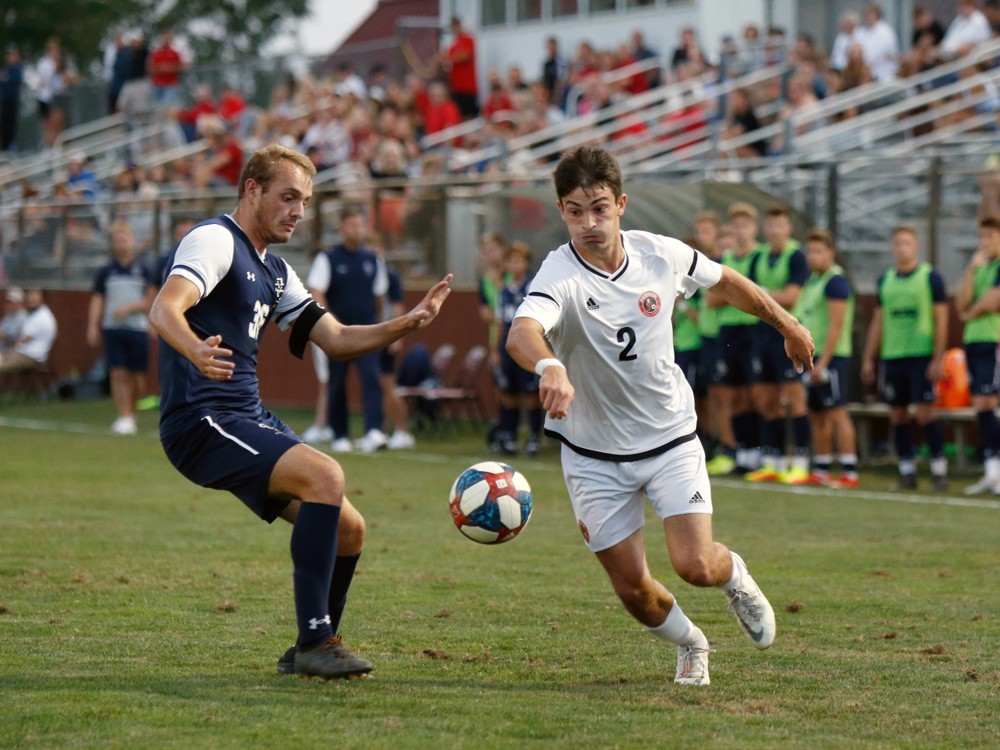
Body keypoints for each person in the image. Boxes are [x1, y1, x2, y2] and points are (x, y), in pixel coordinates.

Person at [506, 146, 815, 686]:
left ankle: (735, 577)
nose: (589, 223)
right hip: (592, 454)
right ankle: (692, 644)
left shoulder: (659, 254)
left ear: (621, 203)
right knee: (633, 591)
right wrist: (550, 365)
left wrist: (785, 323)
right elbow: (521, 332)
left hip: (669, 438)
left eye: (599, 208)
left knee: (695, 566)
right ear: (561, 211)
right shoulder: (560, 271)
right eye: (575, 211)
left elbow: (725, 281)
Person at [148, 143, 451, 680]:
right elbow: (164, 308)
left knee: (350, 530)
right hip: (202, 418)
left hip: (247, 416)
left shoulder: (277, 271)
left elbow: (335, 338)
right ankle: (316, 640)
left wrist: (406, 323)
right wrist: (194, 348)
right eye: (288, 197)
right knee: (325, 474)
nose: (298, 212)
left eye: (306, 202)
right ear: (252, 190)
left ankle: (311, 643)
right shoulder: (215, 240)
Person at [861, 226, 949, 491]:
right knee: (897, 415)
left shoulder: (930, 277)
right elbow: (878, 321)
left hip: (921, 355)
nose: (902, 248)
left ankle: (938, 471)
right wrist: (868, 358)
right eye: (898, 243)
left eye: (907, 243)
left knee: (924, 414)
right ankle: (907, 472)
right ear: (892, 247)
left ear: (916, 246)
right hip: (893, 356)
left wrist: (938, 357)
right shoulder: (885, 280)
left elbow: (942, 318)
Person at [306, 206, 390, 454]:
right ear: (341, 228)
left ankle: (374, 430)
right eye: (351, 225)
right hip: (339, 333)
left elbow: (379, 296)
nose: (356, 229)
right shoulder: (328, 258)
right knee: (337, 382)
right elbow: (317, 291)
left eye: (360, 225)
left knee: (371, 378)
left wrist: (375, 324)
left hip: (366, 332)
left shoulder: (373, 259)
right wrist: (330, 322)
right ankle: (339, 433)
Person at [745, 204, 812, 485]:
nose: (774, 230)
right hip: (761, 335)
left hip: (787, 334)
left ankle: (800, 461)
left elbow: (792, 297)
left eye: (780, 225)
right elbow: (749, 295)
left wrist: (764, 295)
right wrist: (768, 296)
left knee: (795, 399)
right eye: (770, 225)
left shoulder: (797, 256)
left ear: (789, 228)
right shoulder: (758, 257)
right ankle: (773, 461)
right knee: (766, 399)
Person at [793, 230, 859, 488]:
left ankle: (849, 470)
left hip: (832, 358)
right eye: (810, 251)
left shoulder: (836, 282)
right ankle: (821, 468)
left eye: (819, 251)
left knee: (837, 412)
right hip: (813, 355)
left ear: (831, 253)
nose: (813, 256)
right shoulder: (812, 281)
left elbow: (836, 325)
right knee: (818, 413)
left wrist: (823, 363)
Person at [705, 202, 763, 476]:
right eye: (736, 225)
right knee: (734, 396)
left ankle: (761, 452)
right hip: (729, 332)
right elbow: (712, 299)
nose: (741, 230)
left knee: (756, 395)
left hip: (753, 331)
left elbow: (758, 297)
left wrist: (733, 295)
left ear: (754, 228)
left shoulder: (759, 257)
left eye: (745, 225)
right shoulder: (724, 260)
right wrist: (739, 295)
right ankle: (743, 452)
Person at [87, 221, 157, 435]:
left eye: (124, 238)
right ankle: (124, 415)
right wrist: (92, 326)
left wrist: (130, 309)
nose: (121, 243)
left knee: (137, 377)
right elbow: (98, 299)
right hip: (113, 328)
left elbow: (151, 299)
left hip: (137, 328)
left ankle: (131, 412)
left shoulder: (144, 269)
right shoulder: (106, 270)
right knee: (117, 373)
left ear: (132, 241)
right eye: (117, 239)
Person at [955, 215, 1000, 495]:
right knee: (981, 404)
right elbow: (962, 300)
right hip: (974, 341)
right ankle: (991, 471)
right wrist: (971, 268)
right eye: (982, 237)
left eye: (990, 237)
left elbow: (993, 301)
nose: (984, 243)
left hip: (994, 340)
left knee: (991, 402)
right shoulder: (981, 266)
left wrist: (971, 312)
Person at [492, 241, 543, 456]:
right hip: (507, 347)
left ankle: (533, 437)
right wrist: (494, 350)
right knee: (508, 392)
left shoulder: (532, 288)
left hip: (526, 346)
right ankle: (509, 436)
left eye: (518, 260)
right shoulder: (503, 291)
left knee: (531, 393)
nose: (514, 265)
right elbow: (498, 322)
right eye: (510, 260)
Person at [0, 288, 57, 374]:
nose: (31, 299)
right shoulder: (36, 314)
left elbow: (23, 340)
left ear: (42, 298)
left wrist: (10, 351)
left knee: (1, 364)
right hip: (23, 354)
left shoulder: (41, 317)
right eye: (30, 296)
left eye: (34, 297)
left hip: (32, 357)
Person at [439, 17, 479, 119]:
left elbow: (465, 56)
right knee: (459, 114)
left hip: (467, 87)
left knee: (469, 115)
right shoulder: (453, 45)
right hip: (456, 87)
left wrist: (448, 58)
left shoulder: (468, 39)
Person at [0, 45, 23, 152]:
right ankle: (4, 146)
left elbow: (13, 80)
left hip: (12, 101)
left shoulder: (18, 69)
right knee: (4, 124)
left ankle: (9, 146)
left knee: (11, 124)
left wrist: (6, 78)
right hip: (4, 101)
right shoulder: (5, 68)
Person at [0, 286, 27, 352]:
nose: (10, 304)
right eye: (9, 301)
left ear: (20, 302)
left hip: (11, 352)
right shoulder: (9, 314)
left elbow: (11, 338)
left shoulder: (22, 317)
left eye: (13, 302)